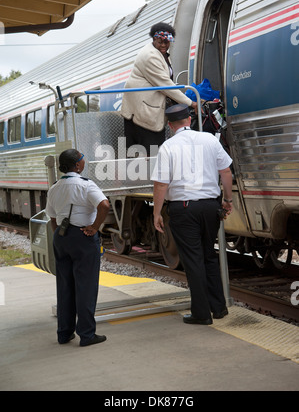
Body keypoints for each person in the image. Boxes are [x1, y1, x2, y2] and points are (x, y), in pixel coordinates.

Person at [151, 104, 233, 325]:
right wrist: (227, 200)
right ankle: (219, 308)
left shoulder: (168, 146)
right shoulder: (209, 140)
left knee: (193, 260)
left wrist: (156, 212)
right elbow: (226, 171)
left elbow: (160, 184)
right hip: (210, 207)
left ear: (170, 125)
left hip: (184, 209)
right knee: (208, 255)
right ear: (189, 119)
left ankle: (201, 313)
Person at [45, 149, 110, 346]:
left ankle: (64, 333)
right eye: (82, 159)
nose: (85, 161)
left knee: (65, 285)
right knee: (86, 286)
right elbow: (104, 205)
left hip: (61, 237)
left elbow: (53, 217)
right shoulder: (86, 185)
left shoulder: (54, 188)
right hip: (83, 236)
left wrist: (61, 235)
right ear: (77, 165)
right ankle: (87, 334)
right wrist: (94, 227)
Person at [121, 22, 198, 156]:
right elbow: (165, 85)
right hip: (142, 113)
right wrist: (191, 103)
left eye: (167, 42)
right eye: (160, 41)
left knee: (151, 155)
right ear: (153, 39)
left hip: (146, 111)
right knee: (150, 156)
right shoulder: (150, 56)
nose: (163, 45)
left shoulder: (160, 54)